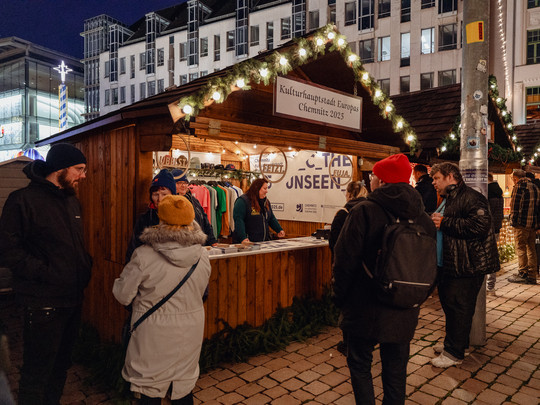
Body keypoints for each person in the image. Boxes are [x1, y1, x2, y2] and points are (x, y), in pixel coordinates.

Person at [333, 154, 436, 404]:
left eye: (373, 176)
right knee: (396, 371)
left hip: (364, 305)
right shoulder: (424, 218)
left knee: (360, 364)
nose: (370, 180)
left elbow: (345, 260)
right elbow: (432, 266)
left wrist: (340, 299)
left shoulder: (365, 211)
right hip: (404, 308)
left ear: (381, 181)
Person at [0, 143, 93, 404]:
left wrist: (85, 265)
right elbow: (8, 250)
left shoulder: (72, 201)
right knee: (36, 373)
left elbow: (74, 247)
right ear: (60, 169)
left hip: (72, 300)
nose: (83, 176)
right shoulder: (22, 200)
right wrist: (46, 273)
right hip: (42, 305)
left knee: (61, 367)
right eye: (79, 169)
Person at [113, 195, 211, 404]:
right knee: (183, 386)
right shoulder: (202, 255)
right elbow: (202, 291)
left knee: (150, 387)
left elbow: (123, 295)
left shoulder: (143, 255)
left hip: (153, 334)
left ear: (160, 218)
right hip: (191, 331)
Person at [430, 162, 499, 368]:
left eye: (436, 178)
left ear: (451, 176)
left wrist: (444, 222)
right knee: (451, 307)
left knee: (459, 307)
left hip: (466, 264)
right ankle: (454, 344)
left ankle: (454, 353)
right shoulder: (450, 197)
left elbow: (480, 225)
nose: (433, 182)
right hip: (451, 263)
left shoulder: (470, 196)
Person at [329, 180, 369, 357]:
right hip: (367, 269)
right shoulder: (372, 211)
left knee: (347, 305)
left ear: (348, 194)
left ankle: (348, 343)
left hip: (347, 267)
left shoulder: (343, 213)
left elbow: (334, 243)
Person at [125, 169, 177, 262]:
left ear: (173, 195)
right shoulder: (144, 219)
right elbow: (133, 250)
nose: (160, 199)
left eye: (164, 194)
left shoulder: (181, 218)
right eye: (155, 194)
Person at [508, 169, 539, 285]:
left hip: (521, 223)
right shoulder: (535, 187)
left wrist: (513, 221)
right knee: (531, 249)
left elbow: (514, 206)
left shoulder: (519, 187)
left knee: (520, 248)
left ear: (515, 178)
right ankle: (532, 275)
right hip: (532, 224)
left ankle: (523, 273)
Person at [171, 170, 217, 246]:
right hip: (185, 245)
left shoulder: (193, 200)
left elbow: (205, 221)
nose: (183, 185)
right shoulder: (171, 203)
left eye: (185, 183)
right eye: (179, 183)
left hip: (200, 244)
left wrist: (212, 240)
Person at [232, 178, 285, 243]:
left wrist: (279, 229)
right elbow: (239, 221)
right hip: (247, 243)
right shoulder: (242, 201)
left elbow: (271, 218)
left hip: (263, 243)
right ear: (257, 188)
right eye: (264, 188)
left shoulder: (266, 202)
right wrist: (243, 238)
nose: (267, 191)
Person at [329, 180, 369, 252]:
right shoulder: (370, 210)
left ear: (349, 194)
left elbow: (333, 240)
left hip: (345, 258)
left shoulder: (343, 213)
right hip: (365, 258)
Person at [487, 173, 504, 293]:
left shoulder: (487, 193)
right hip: (496, 228)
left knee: (484, 256)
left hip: (487, 229)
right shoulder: (499, 192)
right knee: (492, 255)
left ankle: (485, 286)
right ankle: (491, 286)